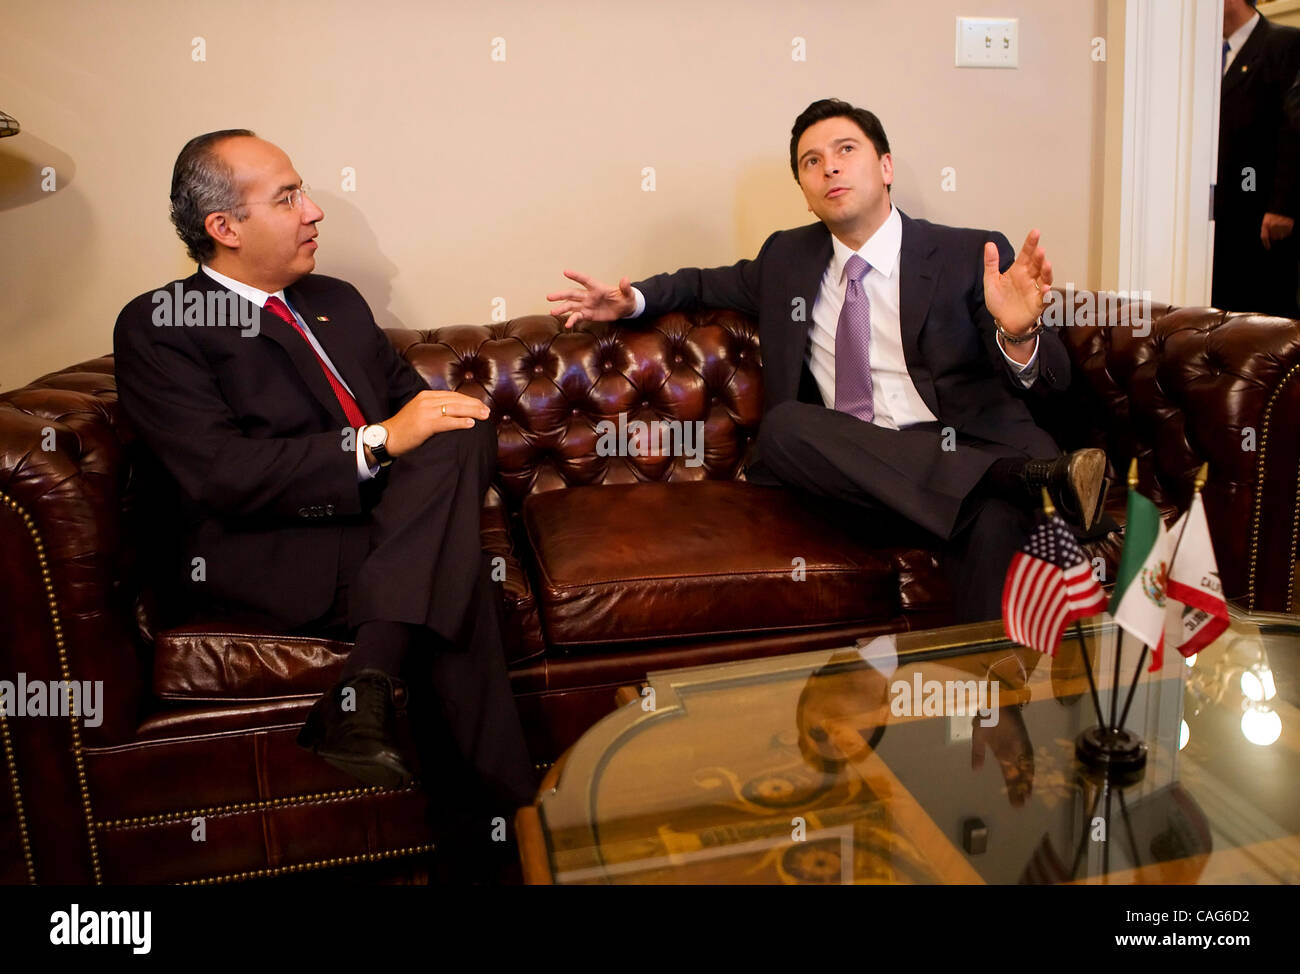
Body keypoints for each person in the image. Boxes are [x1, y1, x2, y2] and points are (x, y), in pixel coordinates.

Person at [113, 131, 537, 838]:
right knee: (456, 582)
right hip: (262, 545)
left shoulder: (333, 300)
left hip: (385, 520)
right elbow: (221, 474)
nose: (313, 211)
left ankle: (368, 686)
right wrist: (376, 441)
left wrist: (407, 433)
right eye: (287, 199)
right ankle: (508, 829)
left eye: (303, 192)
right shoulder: (163, 324)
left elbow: (417, 417)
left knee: (459, 431)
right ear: (224, 227)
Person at [547, 98, 1106, 622]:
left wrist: (1019, 332)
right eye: (812, 162)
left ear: (885, 167)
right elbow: (698, 282)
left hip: (962, 449)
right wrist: (629, 301)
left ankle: (988, 712)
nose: (829, 169)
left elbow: (1054, 382)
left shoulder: (970, 254)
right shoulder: (787, 258)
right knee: (787, 426)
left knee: (994, 520)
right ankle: (1021, 480)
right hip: (861, 481)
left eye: (846, 151)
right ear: (806, 193)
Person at [1215, 0, 1300, 317]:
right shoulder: (1206, 53)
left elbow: (1295, 130)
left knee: (1265, 321)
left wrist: (1283, 207)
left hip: (1264, 221)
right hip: (1221, 220)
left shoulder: (1284, 44)